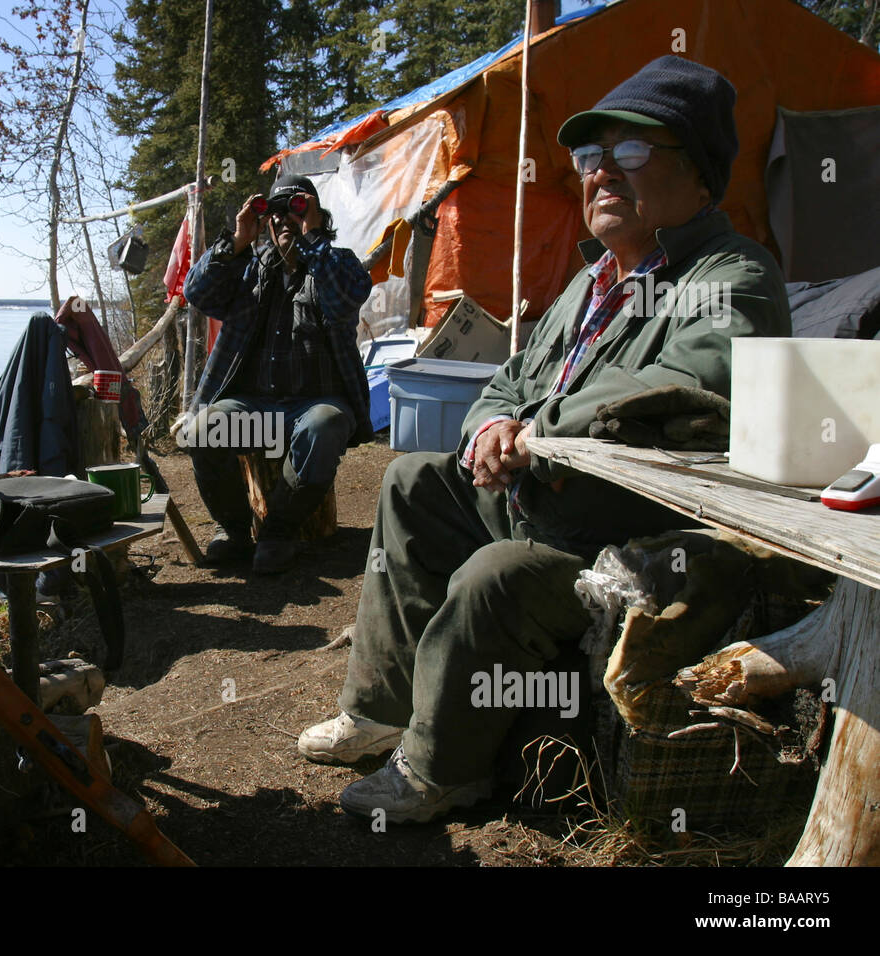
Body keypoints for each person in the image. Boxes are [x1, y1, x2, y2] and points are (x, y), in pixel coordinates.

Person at [297, 56, 792, 822]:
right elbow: (509, 377)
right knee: (414, 482)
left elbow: (693, 376)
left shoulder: (732, 273)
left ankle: (440, 771)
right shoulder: (591, 281)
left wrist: (539, 432)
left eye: (631, 154)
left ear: (699, 176)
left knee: (496, 575)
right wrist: (495, 425)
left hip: (634, 538)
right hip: (551, 504)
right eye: (591, 158)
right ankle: (381, 708)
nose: (602, 176)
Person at [181, 174, 373, 574]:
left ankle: (278, 532)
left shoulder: (336, 265)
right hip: (259, 418)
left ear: (316, 216)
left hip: (312, 409)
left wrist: (313, 238)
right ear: (266, 221)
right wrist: (237, 240)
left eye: (297, 210)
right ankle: (234, 530)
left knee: (324, 426)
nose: (286, 219)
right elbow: (196, 294)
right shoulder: (250, 270)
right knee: (203, 430)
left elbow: (345, 299)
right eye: (276, 211)